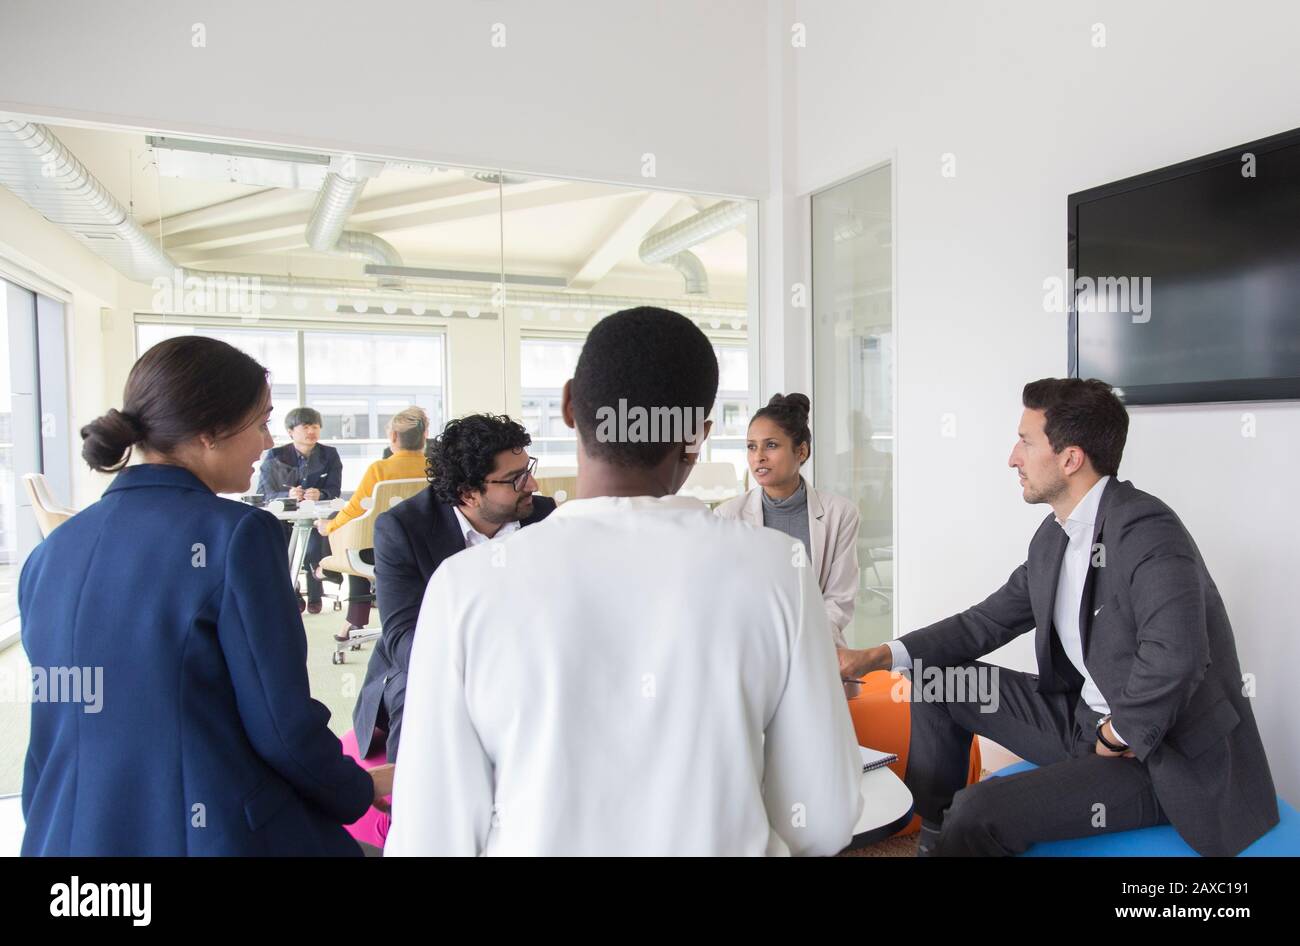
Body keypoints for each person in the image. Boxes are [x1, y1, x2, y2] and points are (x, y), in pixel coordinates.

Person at [385, 307, 862, 856]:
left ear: (568, 405)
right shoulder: (779, 569)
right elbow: (822, 817)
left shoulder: (463, 588)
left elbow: (430, 836)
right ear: (698, 436)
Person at [838, 378, 1279, 857]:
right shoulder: (1054, 538)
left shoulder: (1147, 528)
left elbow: (1178, 655)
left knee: (979, 808)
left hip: (1153, 755)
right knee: (936, 679)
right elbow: (983, 623)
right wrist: (877, 656)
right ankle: (936, 838)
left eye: (1026, 442)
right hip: (1080, 722)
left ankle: (960, 827)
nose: (1012, 457)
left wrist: (1117, 732)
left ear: (1070, 459)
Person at [19, 336, 391, 856]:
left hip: (69, 838)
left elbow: (47, 735)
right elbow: (279, 724)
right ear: (210, 431)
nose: (266, 443)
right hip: (209, 833)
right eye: (261, 423)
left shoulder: (51, 551)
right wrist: (358, 788)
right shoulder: (236, 535)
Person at [353, 413, 557, 763]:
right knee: (424, 718)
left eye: (529, 469)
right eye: (516, 479)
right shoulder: (402, 529)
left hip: (526, 656)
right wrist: (490, 674)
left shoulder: (541, 516)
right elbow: (404, 637)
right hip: (432, 662)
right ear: (468, 493)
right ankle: (414, 810)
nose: (532, 485)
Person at [715, 393, 861, 649]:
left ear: (801, 451)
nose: (758, 456)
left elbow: (839, 599)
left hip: (816, 646)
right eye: (751, 446)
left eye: (771, 445)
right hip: (751, 648)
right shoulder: (728, 516)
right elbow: (725, 597)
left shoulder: (841, 513)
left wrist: (802, 644)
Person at [316, 406, 428, 642]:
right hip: (425, 549)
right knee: (364, 540)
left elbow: (354, 511)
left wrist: (330, 527)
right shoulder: (435, 468)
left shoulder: (380, 469)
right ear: (424, 436)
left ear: (394, 437)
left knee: (357, 541)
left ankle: (354, 617)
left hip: (378, 554)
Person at [257, 406, 342, 613]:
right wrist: (288, 495)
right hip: (282, 519)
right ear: (291, 431)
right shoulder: (275, 456)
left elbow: (334, 489)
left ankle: (315, 594)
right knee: (283, 550)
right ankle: (292, 592)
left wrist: (320, 494)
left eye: (315, 426)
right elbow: (264, 493)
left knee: (313, 547)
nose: (311, 431)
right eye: (305, 427)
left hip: (314, 518)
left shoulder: (329, 455)